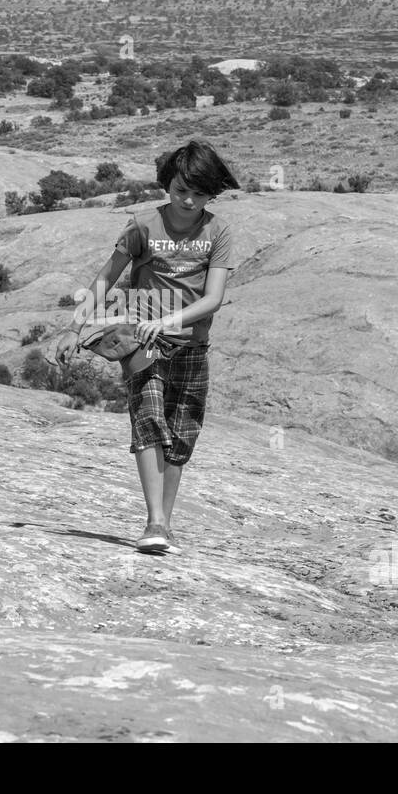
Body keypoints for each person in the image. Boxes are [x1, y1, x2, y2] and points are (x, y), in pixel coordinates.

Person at [54, 140, 239, 553]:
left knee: (180, 436)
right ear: (166, 185)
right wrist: (73, 327)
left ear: (213, 193)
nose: (188, 201)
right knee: (148, 423)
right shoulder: (142, 227)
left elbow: (213, 297)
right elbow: (105, 279)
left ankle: (165, 523)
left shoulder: (218, 232)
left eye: (199, 193)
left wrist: (168, 321)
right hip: (142, 344)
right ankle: (154, 521)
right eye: (180, 190)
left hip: (192, 345)